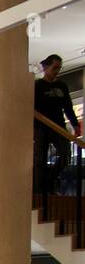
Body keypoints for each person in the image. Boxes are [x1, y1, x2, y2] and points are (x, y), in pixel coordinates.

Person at [34, 53, 77, 195]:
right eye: (55, 68)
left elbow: (68, 107)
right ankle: (40, 191)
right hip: (41, 127)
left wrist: (75, 124)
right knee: (40, 160)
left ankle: (49, 181)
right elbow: (31, 108)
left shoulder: (61, 86)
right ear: (46, 67)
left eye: (59, 68)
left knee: (65, 154)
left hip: (58, 126)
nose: (57, 71)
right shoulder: (37, 86)